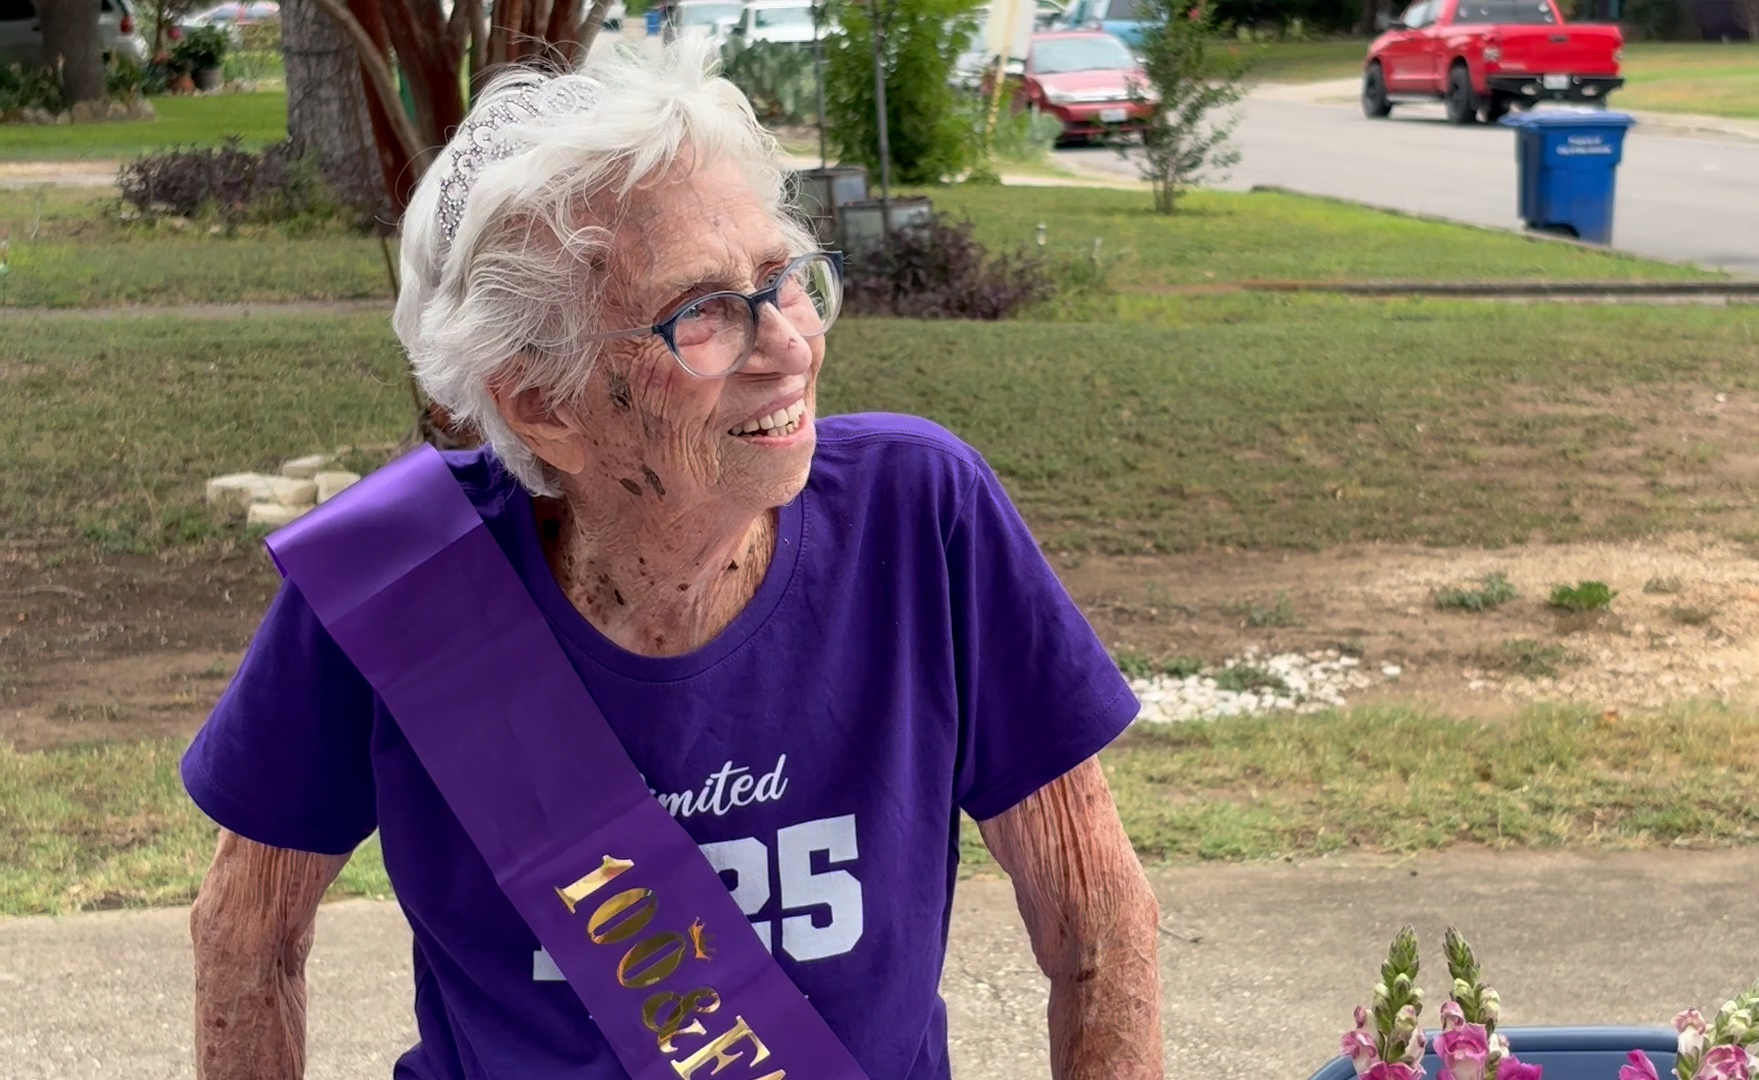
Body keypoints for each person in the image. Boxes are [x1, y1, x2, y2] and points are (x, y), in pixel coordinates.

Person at [181, 44, 1161, 1080]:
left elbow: (1095, 924)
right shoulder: (400, 587)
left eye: (783, 278)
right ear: (540, 404)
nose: (790, 343)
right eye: (703, 312)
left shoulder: (921, 517)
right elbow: (248, 935)